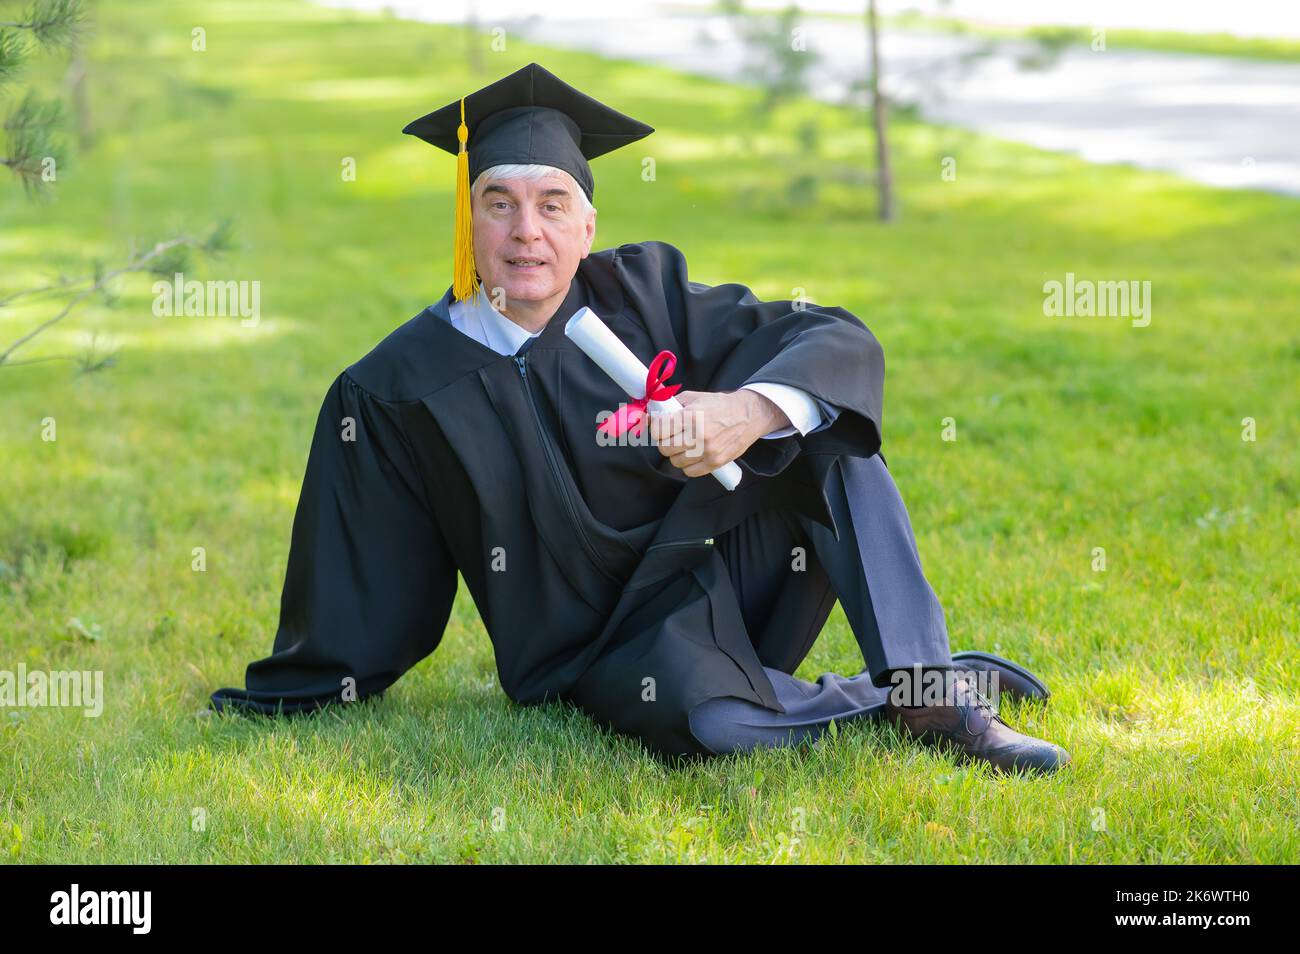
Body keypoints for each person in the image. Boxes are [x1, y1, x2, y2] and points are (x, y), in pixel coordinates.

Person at [210, 62, 1069, 775]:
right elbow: (365, 579)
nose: (525, 231)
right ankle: (915, 693)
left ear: (588, 226)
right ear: (466, 224)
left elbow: (834, 339)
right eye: (498, 202)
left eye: (552, 203)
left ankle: (931, 698)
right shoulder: (394, 389)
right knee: (713, 733)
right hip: (604, 654)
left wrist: (743, 410)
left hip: (723, 567)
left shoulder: (645, 293)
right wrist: (305, 687)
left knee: (824, 435)